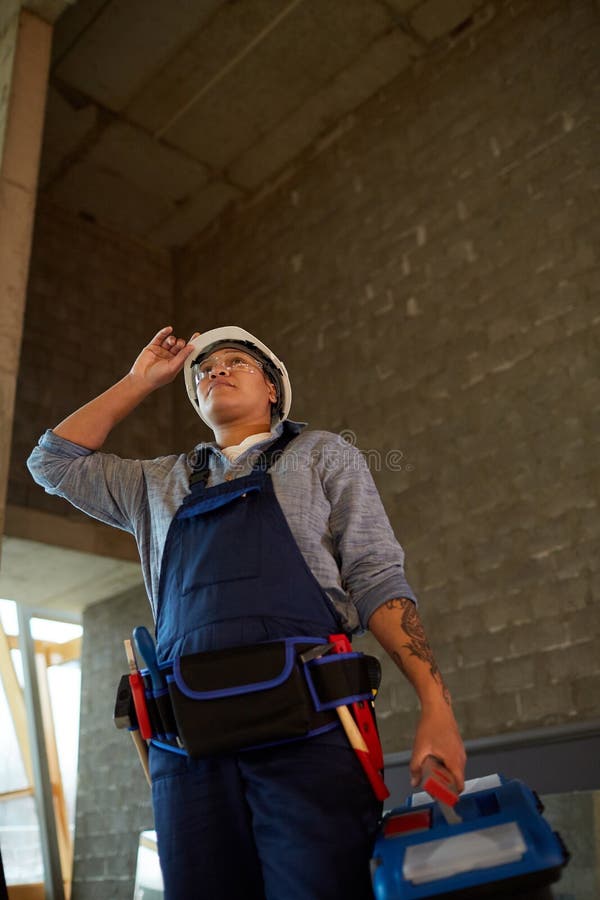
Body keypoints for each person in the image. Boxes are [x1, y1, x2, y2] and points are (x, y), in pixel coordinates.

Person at [28, 325, 465, 900]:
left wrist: (436, 704)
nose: (216, 370)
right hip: (189, 749)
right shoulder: (154, 483)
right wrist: (139, 381)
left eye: (236, 361)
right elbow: (52, 462)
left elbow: (376, 578)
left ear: (273, 388)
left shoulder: (323, 454)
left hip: (312, 733)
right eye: (204, 371)